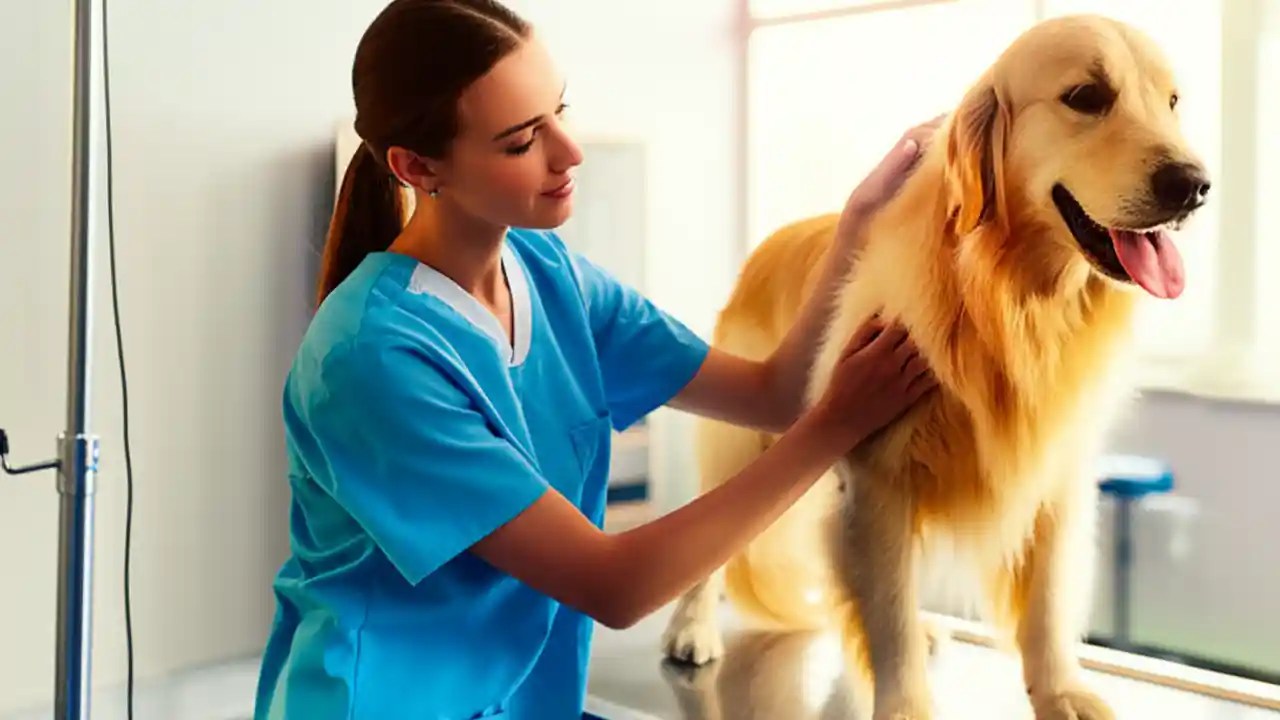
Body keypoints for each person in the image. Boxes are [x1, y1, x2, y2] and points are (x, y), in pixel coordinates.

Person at [252, 1, 940, 718]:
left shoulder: (551, 276)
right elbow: (615, 586)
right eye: (522, 141)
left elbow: (773, 394)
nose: (569, 151)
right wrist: (834, 427)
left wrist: (859, 224)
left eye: (560, 111)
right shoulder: (371, 359)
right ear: (417, 166)